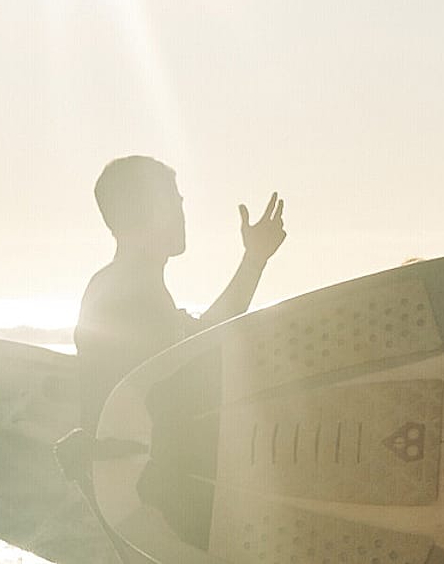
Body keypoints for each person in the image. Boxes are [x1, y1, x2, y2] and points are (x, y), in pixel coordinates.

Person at [74, 155, 286, 435]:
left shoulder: (120, 284)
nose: (183, 214)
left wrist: (254, 260)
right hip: (142, 472)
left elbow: (201, 338)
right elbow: (192, 369)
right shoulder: (129, 293)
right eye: (175, 202)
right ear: (150, 209)